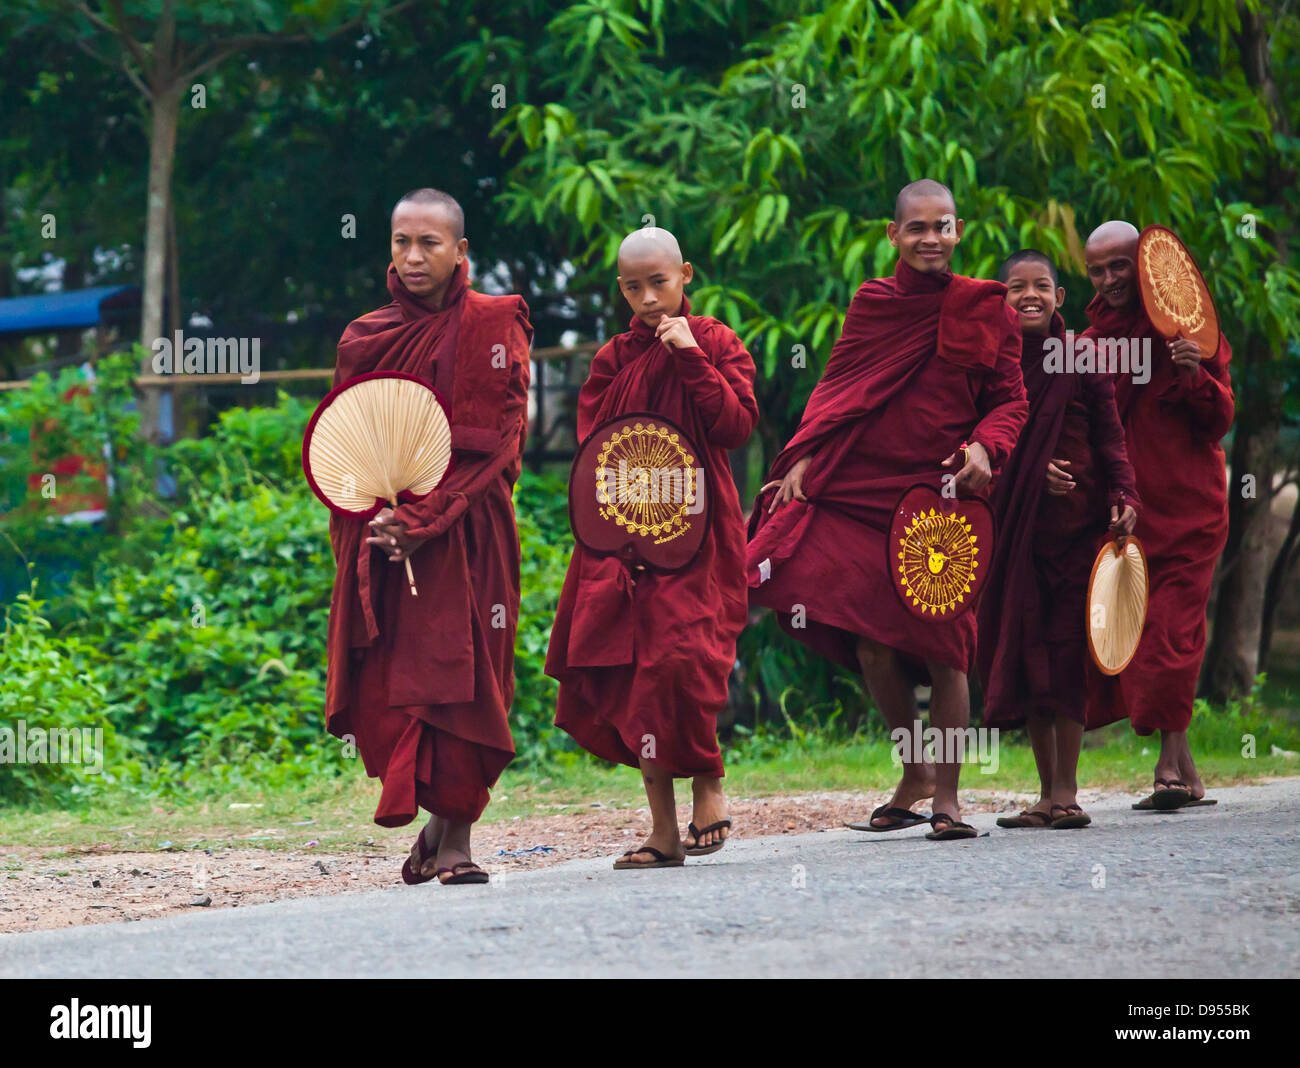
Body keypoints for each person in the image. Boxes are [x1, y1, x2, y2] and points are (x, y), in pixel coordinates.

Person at [747, 180, 1026, 840]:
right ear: (894, 236)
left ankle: (948, 798)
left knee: (947, 649)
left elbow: (1010, 400)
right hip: (864, 491)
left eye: (944, 226)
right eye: (918, 228)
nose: (932, 238)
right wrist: (805, 460)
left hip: (941, 498)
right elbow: (842, 390)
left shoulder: (988, 309)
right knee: (873, 642)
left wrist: (990, 445)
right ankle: (915, 769)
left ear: (959, 231)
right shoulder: (874, 305)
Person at [322, 188, 533, 884]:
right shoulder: (365, 336)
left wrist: (428, 520)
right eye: (401, 242)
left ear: (460, 251)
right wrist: (379, 521)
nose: (413, 257)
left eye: (430, 244)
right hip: (389, 540)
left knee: (470, 679)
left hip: (472, 532)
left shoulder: (496, 322)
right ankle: (438, 829)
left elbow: (499, 440)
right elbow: (348, 443)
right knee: (405, 681)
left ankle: (459, 842)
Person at [545, 226, 758, 868]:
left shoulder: (716, 339)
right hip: (629, 527)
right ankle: (662, 829)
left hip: (701, 526)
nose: (647, 299)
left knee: (687, 657)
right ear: (620, 289)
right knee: (640, 675)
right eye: (633, 288)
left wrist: (690, 355)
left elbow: (735, 425)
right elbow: (596, 446)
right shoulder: (612, 358)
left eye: (658, 283)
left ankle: (710, 781)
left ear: (685, 275)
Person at [977, 249, 1140, 830]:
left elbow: (1111, 438)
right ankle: (1044, 794)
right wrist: (1027, 465)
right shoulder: (992, 363)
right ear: (1001, 298)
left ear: (1059, 297)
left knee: (1069, 655)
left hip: (1078, 531)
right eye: (1016, 287)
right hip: (1016, 533)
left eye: (1041, 286)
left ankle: (1067, 793)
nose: (1029, 296)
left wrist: (1126, 496)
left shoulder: (1082, 357)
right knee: (1027, 654)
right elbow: (985, 441)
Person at [1081, 221, 1233, 810]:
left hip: (1192, 509)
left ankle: (1168, 766)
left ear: (1143, 269)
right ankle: (1186, 767)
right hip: (1127, 514)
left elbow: (1221, 418)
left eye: (1120, 266)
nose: (1110, 279)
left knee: (1173, 631)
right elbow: (1087, 427)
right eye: (1098, 270)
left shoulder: (1187, 330)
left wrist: (1195, 374)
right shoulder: (1094, 342)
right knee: (1139, 634)